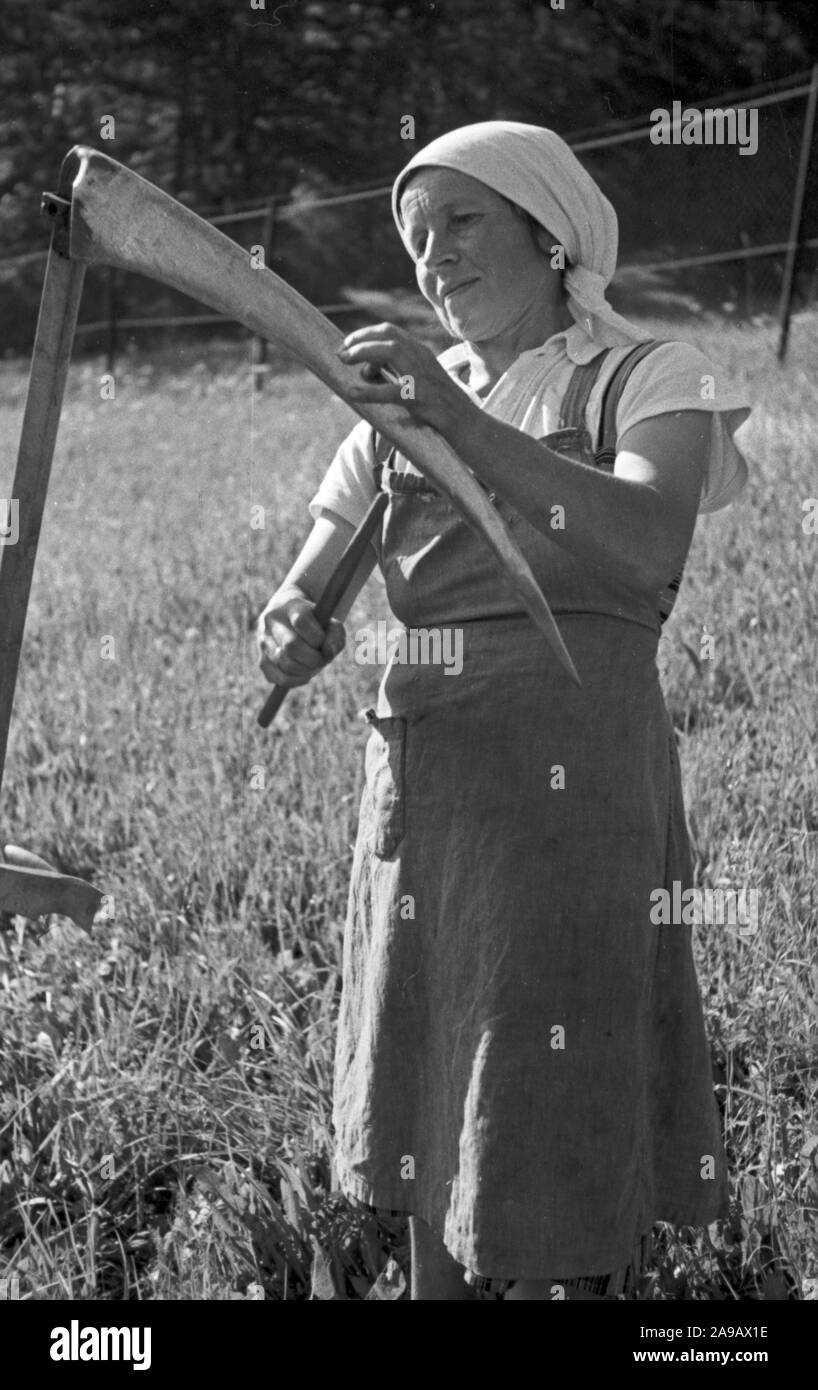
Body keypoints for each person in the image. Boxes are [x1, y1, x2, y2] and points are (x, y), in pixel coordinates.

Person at [257, 121, 751, 1300]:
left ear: (548, 231)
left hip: (572, 802)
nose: (433, 260)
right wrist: (286, 622)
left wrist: (455, 421)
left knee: (554, 1072)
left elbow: (639, 543)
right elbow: (306, 578)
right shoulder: (384, 415)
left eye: (461, 225)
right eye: (416, 241)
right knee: (437, 1067)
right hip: (428, 798)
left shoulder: (647, 377)